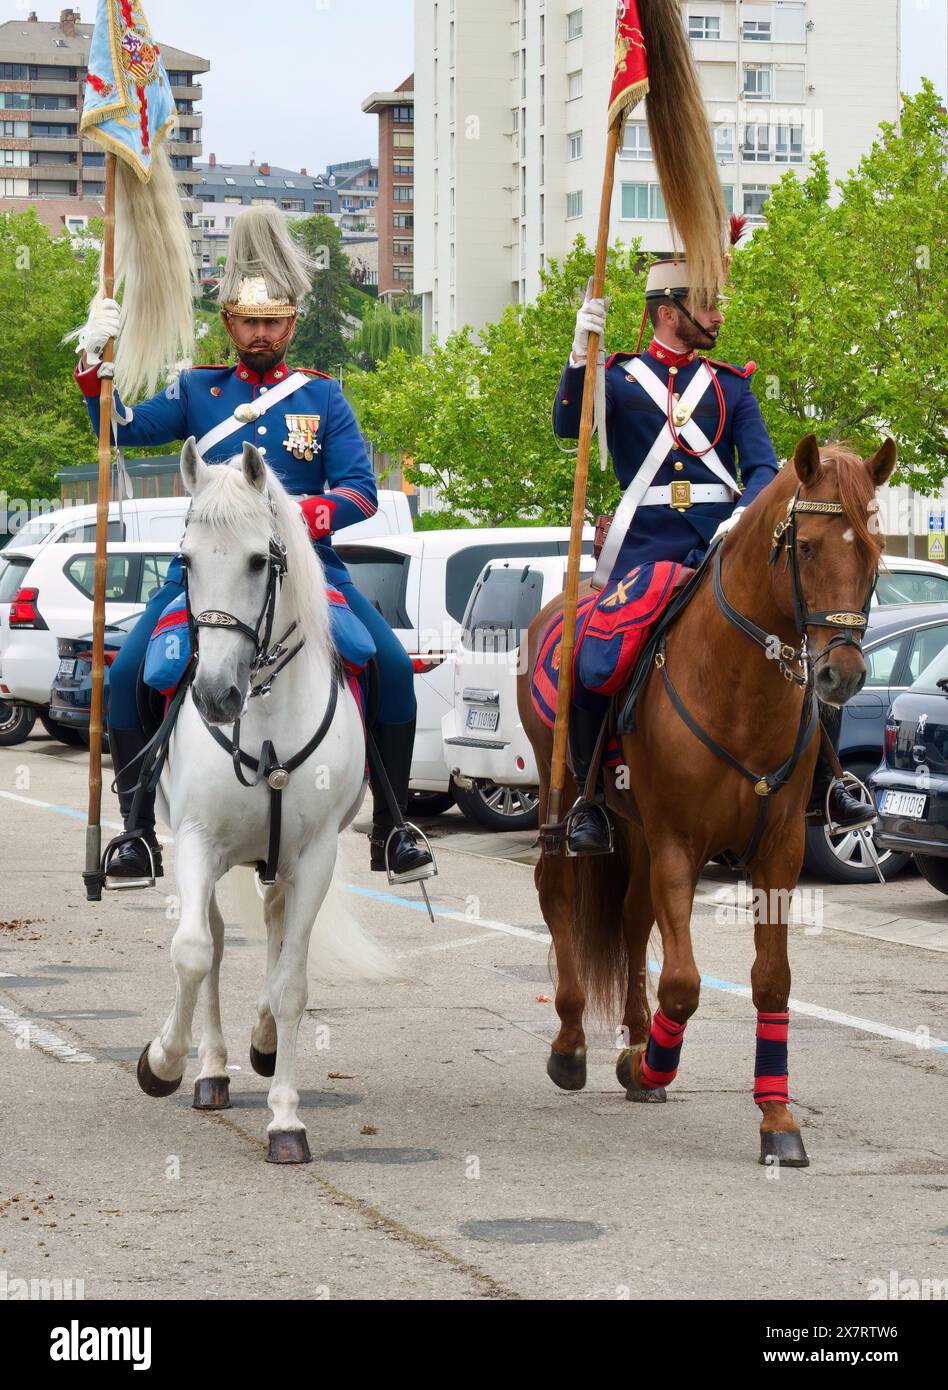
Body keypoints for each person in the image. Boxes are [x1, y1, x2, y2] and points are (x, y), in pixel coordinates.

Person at [75, 206, 434, 887]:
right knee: (126, 675)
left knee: (388, 663)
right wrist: (94, 360)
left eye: (272, 322)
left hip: (308, 571)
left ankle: (394, 828)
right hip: (209, 573)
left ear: (291, 324)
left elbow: (360, 491)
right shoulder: (195, 390)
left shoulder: (323, 400)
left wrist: (296, 518)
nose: (260, 333)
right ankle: (137, 834)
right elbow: (116, 428)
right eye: (248, 321)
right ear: (230, 325)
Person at [553, 259, 874, 854]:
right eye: (706, 308)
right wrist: (580, 357)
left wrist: (742, 514)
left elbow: (762, 467)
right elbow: (569, 427)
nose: (718, 316)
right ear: (669, 313)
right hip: (646, 551)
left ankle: (829, 781)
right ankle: (589, 798)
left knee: (806, 644)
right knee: (596, 656)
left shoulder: (731, 385)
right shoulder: (618, 380)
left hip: (723, 545)